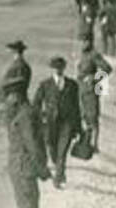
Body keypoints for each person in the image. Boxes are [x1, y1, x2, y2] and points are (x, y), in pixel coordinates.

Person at [4, 76, 50, 208]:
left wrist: (42, 169)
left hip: (25, 168)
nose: (6, 100)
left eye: (9, 95)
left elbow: (33, 146)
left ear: (17, 95)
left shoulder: (25, 116)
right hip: (19, 168)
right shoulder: (19, 113)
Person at [31, 56, 80, 189]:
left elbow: (76, 107)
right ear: (52, 69)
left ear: (64, 68)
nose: (58, 70)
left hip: (67, 123)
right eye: (55, 68)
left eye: (60, 68)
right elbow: (36, 104)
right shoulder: (45, 85)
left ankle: (58, 177)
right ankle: (59, 168)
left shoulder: (72, 85)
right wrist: (41, 118)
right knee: (52, 150)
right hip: (50, 124)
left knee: (62, 152)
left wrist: (78, 128)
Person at [76, 39, 113, 153]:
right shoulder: (82, 54)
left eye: (85, 41)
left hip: (91, 91)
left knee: (93, 117)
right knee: (84, 116)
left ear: (89, 42)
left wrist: (94, 78)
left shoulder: (94, 55)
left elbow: (107, 68)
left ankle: (95, 145)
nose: (82, 43)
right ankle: (86, 143)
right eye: (82, 41)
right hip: (82, 89)